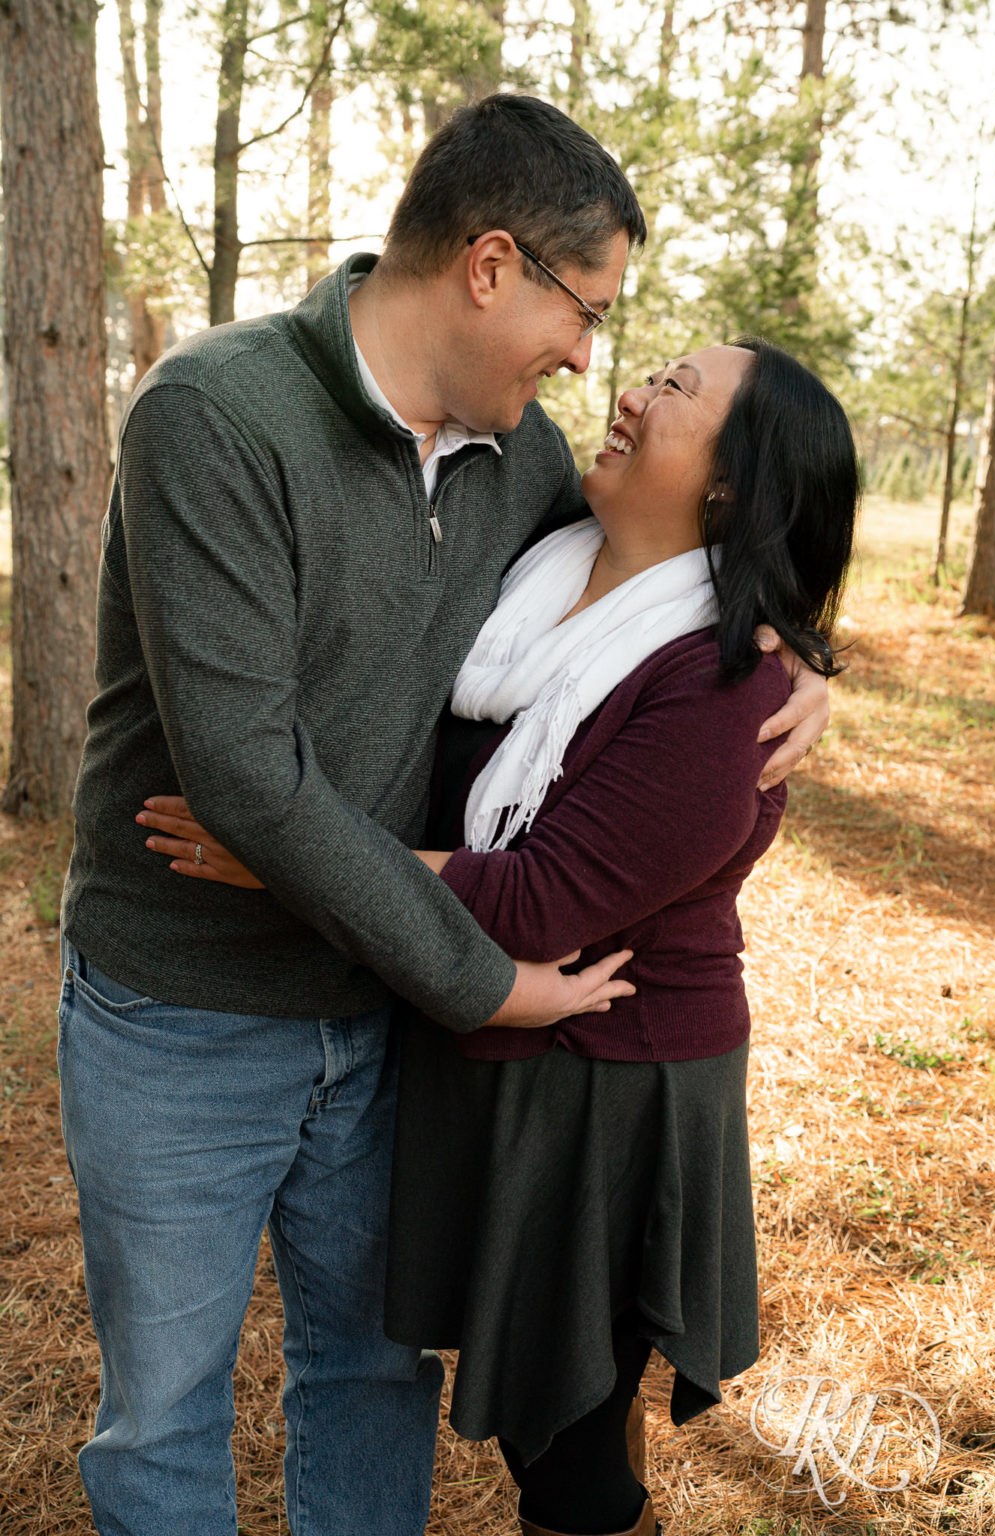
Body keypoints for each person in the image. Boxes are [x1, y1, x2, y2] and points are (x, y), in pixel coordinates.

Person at [61, 94, 827, 1536]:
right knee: (163, 1408)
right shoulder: (215, 414)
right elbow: (245, 776)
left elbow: (677, 585)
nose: (587, 358)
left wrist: (801, 660)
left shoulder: (521, 461)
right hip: (188, 1011)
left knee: (371, 1373)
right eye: (584, 310)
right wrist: (491, 981)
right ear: (490, 267)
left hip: (380, 1013)